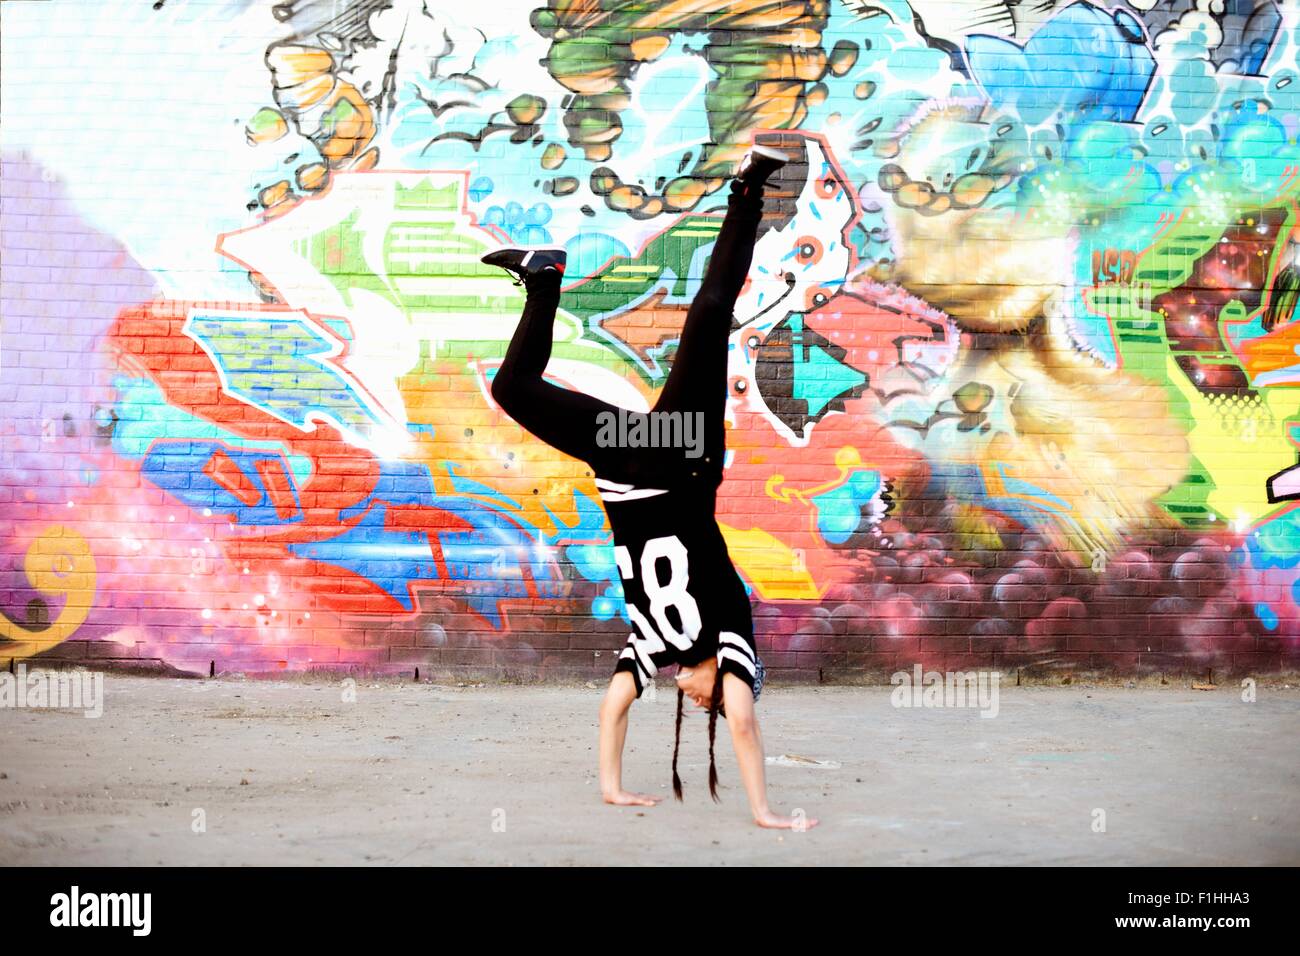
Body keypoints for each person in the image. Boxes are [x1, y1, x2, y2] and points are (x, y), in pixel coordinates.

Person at [482, 143, 818, 829]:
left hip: (635, 460)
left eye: (703, 708)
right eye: (710, 703)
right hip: (682, 459)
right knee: (709, 315)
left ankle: (544, 279)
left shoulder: (651, 647)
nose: (701, 703)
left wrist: (611, 786)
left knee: (512, 388)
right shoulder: (729, 637)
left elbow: (612, 710)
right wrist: (765, 812)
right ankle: (749, 188)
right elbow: (746, 725)